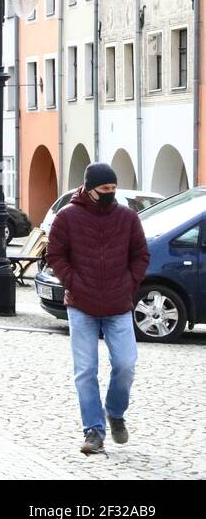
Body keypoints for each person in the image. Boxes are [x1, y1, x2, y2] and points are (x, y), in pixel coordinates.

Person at [46, 162, 149, 456]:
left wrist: (130, 283)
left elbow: (141, 254)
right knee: (86, 370)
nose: (109, 194)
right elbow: (55, 254)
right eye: (104, 189)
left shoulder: (127, 217)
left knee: (126, 365)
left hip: (118, 304)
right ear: (89, 189)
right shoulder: (67, 217)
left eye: (113, 189)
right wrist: (73, 282)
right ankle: (93, 430)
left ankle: (115, 412)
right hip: (81, 304)